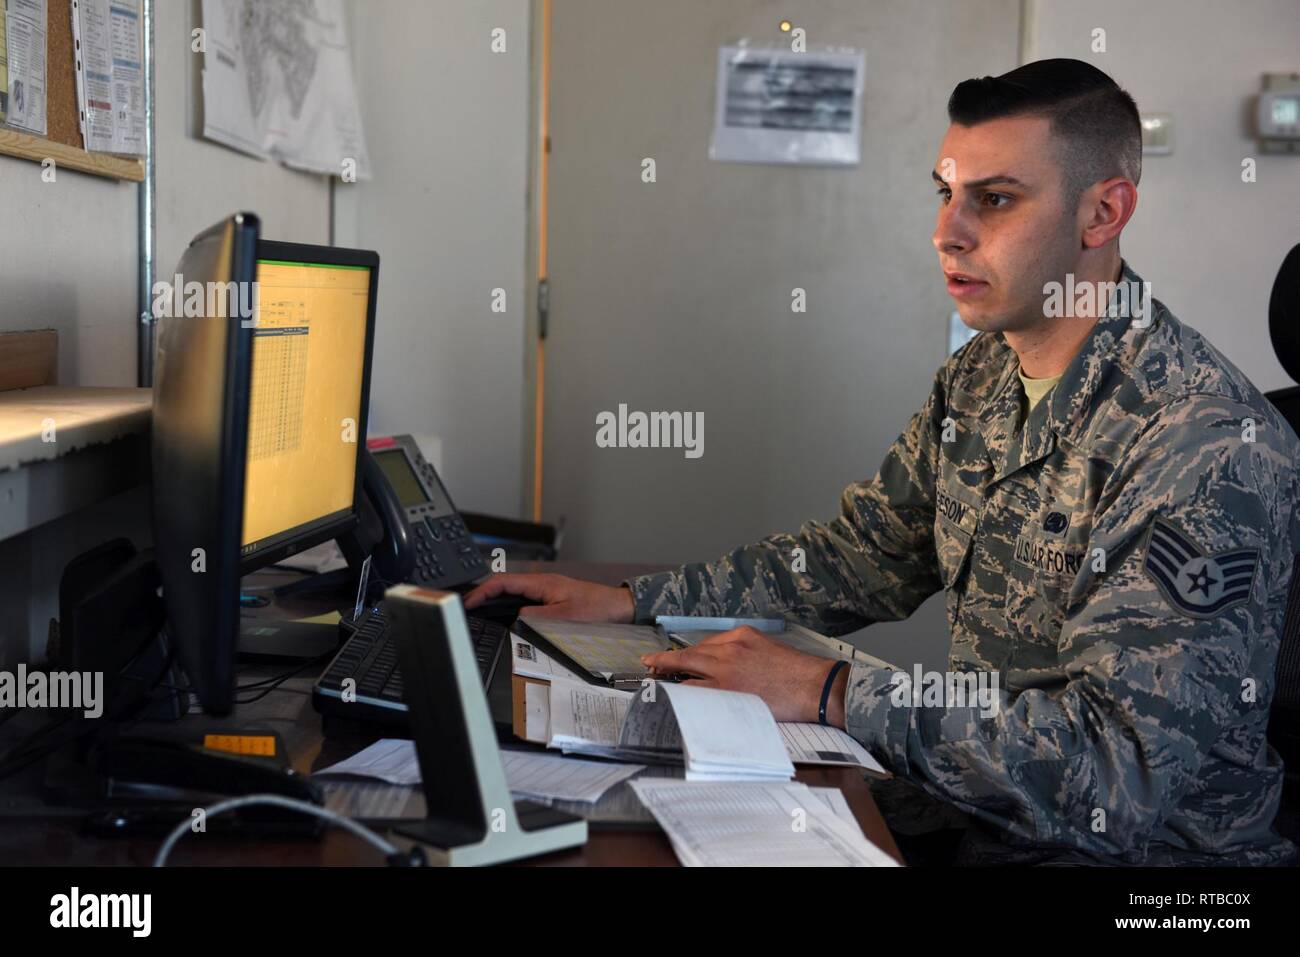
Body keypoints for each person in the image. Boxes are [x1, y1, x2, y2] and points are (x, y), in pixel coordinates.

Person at [467, 59, 1298, 866]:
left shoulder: (1204, 435)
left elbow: (1123, 771)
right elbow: (857, 557)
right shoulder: (983, 373)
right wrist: (632, 603)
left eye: (995, 199)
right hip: (983, 818)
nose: (947, 230)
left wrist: (830, 692)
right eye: (945, 193)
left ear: (1102, 213)